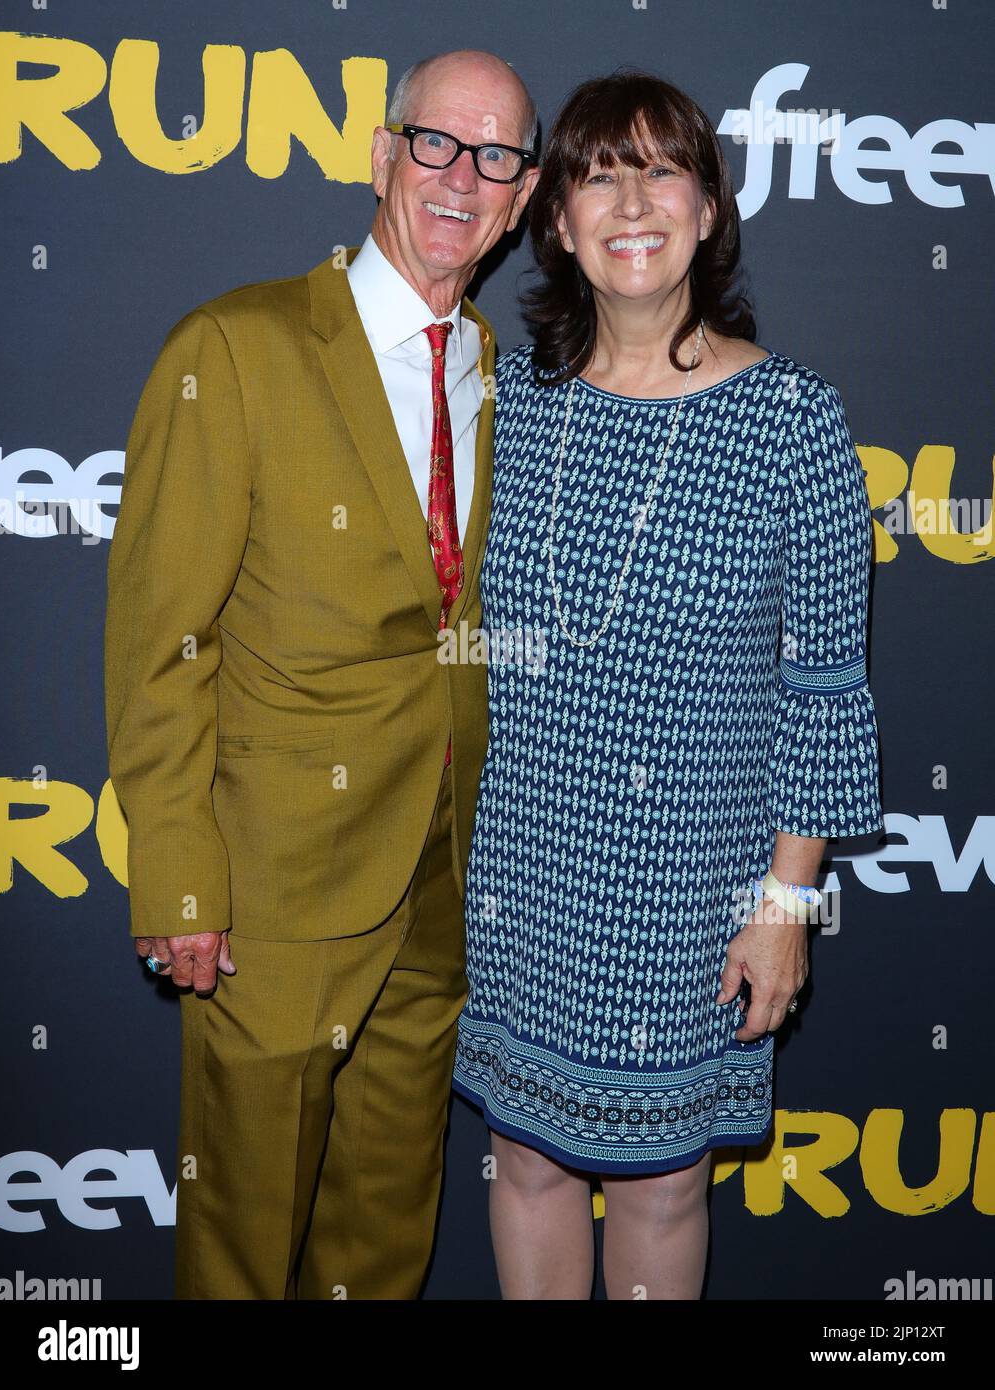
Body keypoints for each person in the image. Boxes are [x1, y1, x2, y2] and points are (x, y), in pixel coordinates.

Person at [104, 48, 538, 1300]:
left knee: (381, 1242)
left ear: (517, 199)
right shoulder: (235, 347)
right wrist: (181, 874)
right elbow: (161, 643)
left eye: (495, 155)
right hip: (274, 892)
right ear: (380, 154)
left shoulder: (499, 376)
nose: (460, 176)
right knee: (241, 1248)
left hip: (443, 887)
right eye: (435, 142)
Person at [452, 69, 884, 1299]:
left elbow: (824, 696)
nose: (629, 201)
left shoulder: (793, 420)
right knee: (522, 1166)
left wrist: (784, 913)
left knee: (661, 1184)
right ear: (553, 217)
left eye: (660, 171)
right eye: (596, 172)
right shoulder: (508, 403)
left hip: (693, 893)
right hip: (518, 875)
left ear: (706, 210)